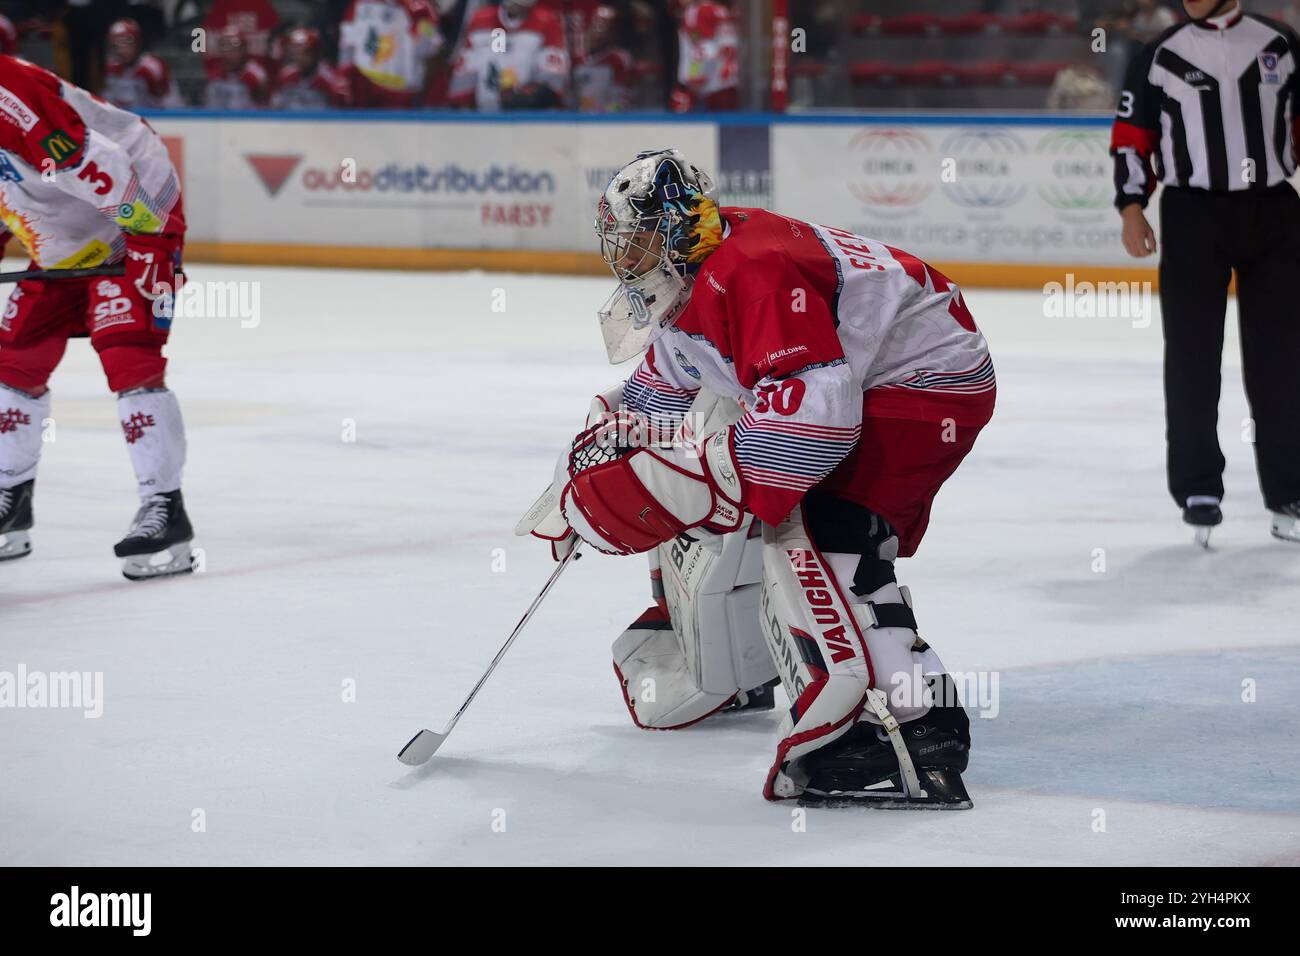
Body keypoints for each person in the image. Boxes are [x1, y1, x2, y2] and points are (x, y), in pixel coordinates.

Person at [521, 149, 995, 807]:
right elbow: (665, 387)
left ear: (675, 228)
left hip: (924, 384)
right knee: (744, 490)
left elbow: (818, 414)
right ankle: (742, 666)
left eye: (638, 238)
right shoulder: (695, 268)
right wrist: (594, 465)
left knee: (830, 544)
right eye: (619, 241)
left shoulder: (753, 268)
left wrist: (694, 483)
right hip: (870, 375)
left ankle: (921, 728)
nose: (624, 255)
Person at [1111, 0, 1300, 545]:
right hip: (1193, 214)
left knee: (1282, 357)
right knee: (1192, 354)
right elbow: (1131, 135)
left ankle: (1289, 485)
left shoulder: (1279, 43)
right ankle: (1199, 488)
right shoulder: (1158, 53)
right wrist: (1130, 207)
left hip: (1275, 213)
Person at [0, 55, 196, 580]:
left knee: (128, 349)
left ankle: (165, 507)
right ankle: (10, 497)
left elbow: (105, 165)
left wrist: (152, 245)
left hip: (133, 204)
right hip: (59, 217)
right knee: (16, 353)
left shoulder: (10, 100)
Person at [448, 0, 569, 111]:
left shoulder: (547, 22)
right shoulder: (481, 20)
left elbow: (553, 82)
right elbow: (463, 80)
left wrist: (524, 97)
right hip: (486, 115)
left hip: (530, 116)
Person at [338, 0, 443, 108]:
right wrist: (344, 77)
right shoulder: (360, 3)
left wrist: (421, 22)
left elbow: (428, 50)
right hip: (363, 88)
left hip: (403, 95)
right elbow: (347, 42)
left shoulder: (423, 6)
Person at [671, 0, 738, 112]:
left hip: (710, 82)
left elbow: (702, 48)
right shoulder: (722, 11)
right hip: (727, 79)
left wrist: (694, 73)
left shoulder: (700, 10)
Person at [104, 18, 183, 111]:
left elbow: (166, 101)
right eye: (116, 45)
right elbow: (108, 101)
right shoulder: (111, 69)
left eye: (126, 43)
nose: (121, 50)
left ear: (136, 43)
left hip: (156, 117)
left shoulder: (152, 67)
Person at [573, 4, 634, 112]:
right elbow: (565, 95)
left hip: (606, 120)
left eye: (607, 28)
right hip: (576, 119)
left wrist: (607, 114)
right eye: (596, 27)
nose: (600, 34)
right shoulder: (573, 56)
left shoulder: (619, 58)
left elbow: (623, 98)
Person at [271, 27, 350, 110]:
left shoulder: (331, 80)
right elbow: (275, 107)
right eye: (295, 53)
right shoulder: (285, 76)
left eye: (304, 53)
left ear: (316, 54)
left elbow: (341, 114)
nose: (298, 58)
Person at [203, 27, 271, 110]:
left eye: (233, 48)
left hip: (248, 120)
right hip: (219, 120)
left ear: (243, 49)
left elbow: (263, 106)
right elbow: (210, 106)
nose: (228, 52)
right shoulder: (215, 74)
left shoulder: (255, 73)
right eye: (224, 47)